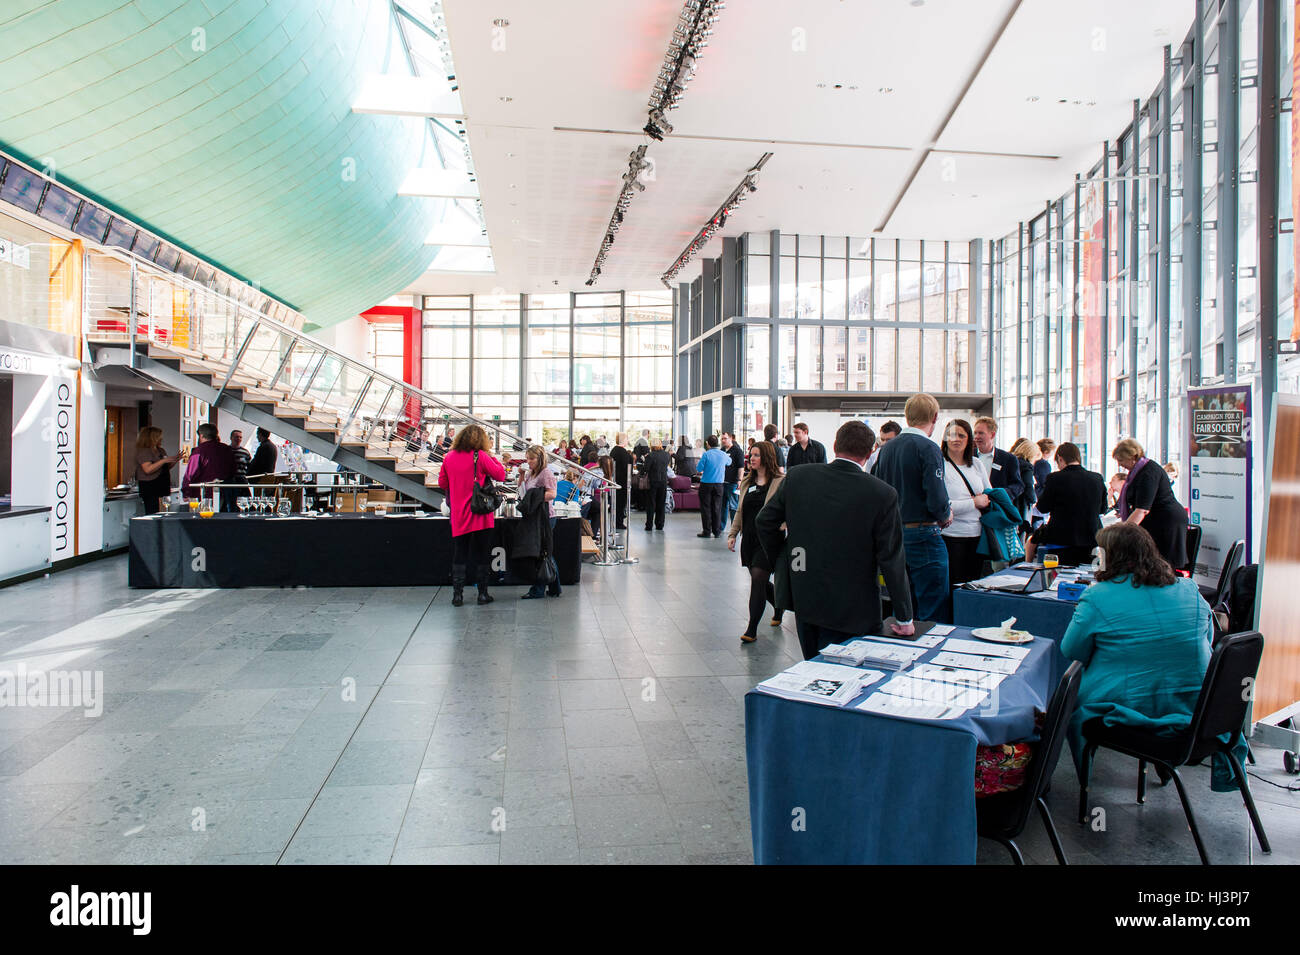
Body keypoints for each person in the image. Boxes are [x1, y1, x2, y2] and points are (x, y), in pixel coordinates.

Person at [1061, 522, 1237, 789]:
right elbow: (1206, 640)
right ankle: (1162, 769)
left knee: (1071, 698)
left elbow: (1071, 651)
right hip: (1195, 708)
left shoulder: (1098, 596)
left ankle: (1076, 781)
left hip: (1127, 708)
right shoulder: (1190, 590)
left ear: (1110, 556)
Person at [755, 420, 914, 660]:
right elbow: (891, 558)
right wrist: (904, 617)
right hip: (855, 605)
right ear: (871, 452)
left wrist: (784, 556)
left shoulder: (799, 477)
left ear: (835, 445)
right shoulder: (882, 493)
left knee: (812, 665)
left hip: (806, 594)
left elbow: (764, 521)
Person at [873, 393, 953, 623]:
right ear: (935, 417)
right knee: (933, 605)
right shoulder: (928, 448)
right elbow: (937, 497)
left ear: (907, 416)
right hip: (924, 532)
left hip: (895, 533)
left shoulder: (886, 450)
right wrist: (946, 513)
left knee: (904, 605)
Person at [437, 423, 507, 606]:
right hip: (481, 514)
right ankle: (482, 594)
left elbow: (442, 483)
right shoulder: (481, 456)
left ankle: (457, 595)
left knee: (460, 553)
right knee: (482, 554)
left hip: (459, 514)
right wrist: (493, 458)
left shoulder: (448, 457)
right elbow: (500, 475)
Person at [726, 440, 785, 644]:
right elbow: (741, 510)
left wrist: (785, 524)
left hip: (769, 540)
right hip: (749, 538)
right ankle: (779, 604)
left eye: (757, 455)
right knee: (758, 579)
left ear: (767, 457)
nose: (752, 458)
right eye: (751, 455)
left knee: (759, 578)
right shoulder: (747, 482)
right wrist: (733, 534)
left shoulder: (780, 481)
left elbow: (790, 508)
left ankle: (751, 629)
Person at [1112, 437, 1188, 569]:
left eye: (1121, 460)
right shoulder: (1137, 472)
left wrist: (1122, 533)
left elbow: (1142, 509)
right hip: (1157, 520)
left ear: (1133, 456)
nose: (1120, 464)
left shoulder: (1148, 473)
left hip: (1166, 522)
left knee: (1162, 565)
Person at [1027, 442, 1107, 564]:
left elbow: (1043, 508)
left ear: (1060, 458)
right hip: (1091, 539)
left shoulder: (1054, 478)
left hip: (1061, 539)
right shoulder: (1097, 478)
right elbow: (1103, 509)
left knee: (1059, 577)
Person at [940, 418, 991, 588]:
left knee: (973, 586)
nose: (956, 439)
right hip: (950, 537)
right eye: (952, 434)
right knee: (953, 585)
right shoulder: (940, 465)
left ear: (969, 439)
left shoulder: (976, 464)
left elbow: (988, 495)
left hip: (977, 536)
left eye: (962, 435)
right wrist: (974, 502)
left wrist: (979, 501)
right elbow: (942, 505)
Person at [518, 445, 561, 600]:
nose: (528, 461)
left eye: (532, 459)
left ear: (540, 458)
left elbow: (552, 494)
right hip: (535, 517)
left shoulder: (546, 473)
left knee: (543, 553)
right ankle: (555, 586)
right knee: (545, 553)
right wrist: (522, 476)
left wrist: (533, 499)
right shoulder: (531, 473)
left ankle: (539, 588)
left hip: (545, 517)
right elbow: (522, 491)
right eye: (527, 458)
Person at [972, 417, 1025, 505]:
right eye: (975, 433)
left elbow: (1018, 486)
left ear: (992, 435)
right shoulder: (967, 457)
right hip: (973, 506)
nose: (977, 437)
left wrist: (998, 494)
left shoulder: (1008, 459)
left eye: (981, 433)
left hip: (997, 507)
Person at [135, 426, 183, 514]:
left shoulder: (161, 450)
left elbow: (165, 468)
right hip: (151, 488)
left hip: (163, 487)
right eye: (159, 436)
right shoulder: (144, 451)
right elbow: (148, 469)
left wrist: (174, 460)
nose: (161, 438)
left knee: (164, 512)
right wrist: (163, 460)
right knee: (153, 512)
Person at [181, 423, 235, 500]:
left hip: (205, 493)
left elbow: (190, 474)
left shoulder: (199, 451)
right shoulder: (226, 449)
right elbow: (233, 469)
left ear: (201, 435)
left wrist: (186, 492)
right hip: (226, 491)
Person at [695, 435, 728, 538]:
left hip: (706, 484)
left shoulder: (706, 454)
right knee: (717, 507)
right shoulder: (723, 454)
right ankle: (717, 531)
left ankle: (707, 531)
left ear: (707, 444)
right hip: (719, 485)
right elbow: (729, 462)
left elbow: (699, 468)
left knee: (706, 508)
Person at [1006, 437, 1039, 528]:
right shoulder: (1027, 467)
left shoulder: (1009, 461)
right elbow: (1028, 485)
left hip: (1008, 502)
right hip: (1020, 505)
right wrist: (1033, 500)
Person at [640, 439, 671, 531]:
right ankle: (660, 524)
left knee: (651, 504)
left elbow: (646, 469)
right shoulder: (667, 455)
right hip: (663, 482)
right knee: (661, 503)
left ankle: (649, 525)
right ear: (660, 444)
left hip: (653, 482)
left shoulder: (650, 455)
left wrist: (643, 463)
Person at [720, 431, 744, 526]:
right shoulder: (721, 450)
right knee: (723, 506)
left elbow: (741, 467)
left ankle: (735, 527)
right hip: (722, 482)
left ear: (731, 438)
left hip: (733, 482)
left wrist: (739, 480)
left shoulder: (737, 451)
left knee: (734, 506)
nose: (723, 440)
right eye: (722, 439)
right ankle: (721, 527)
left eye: (725, 438)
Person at [610, 432, 633, 530]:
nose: (628, 441)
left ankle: (617, 521)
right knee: (621, 503)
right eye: (627, 439)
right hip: (622, 481)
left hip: (616, 480)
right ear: (623, 440)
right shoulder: (622, 452)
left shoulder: (614, 450)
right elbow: (626, 467)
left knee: (617, 503)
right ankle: (619, 522)